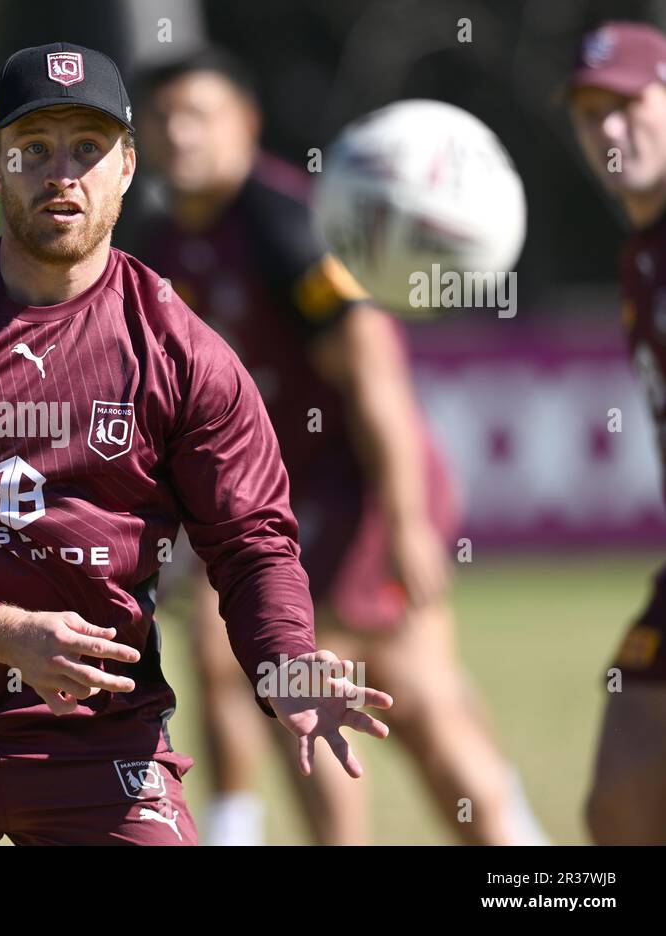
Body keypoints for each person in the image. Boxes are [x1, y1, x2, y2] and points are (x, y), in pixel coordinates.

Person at [0, 43, 391, 847]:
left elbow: (251, 544)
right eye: (33, 150)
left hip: (101, 743)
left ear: (129, 167)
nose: (61, 173)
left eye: (88, 149)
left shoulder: (184, 353)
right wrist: (0, 631)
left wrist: (285, 658)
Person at [131, 48, 547, 845]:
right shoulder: (155, 247)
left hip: (360, 492)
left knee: (410, 695)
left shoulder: (286, 227)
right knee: (280, 681)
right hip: (270, 505)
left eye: (200, 115)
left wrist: (407, 520)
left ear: (246, 126)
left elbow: (374, 376)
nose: (180, 133)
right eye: (163, 118)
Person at [566, 20, 666, 845]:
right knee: (620, 805)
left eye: (629, 104)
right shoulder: (641, 252)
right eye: (590, 111)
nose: (608, 128)